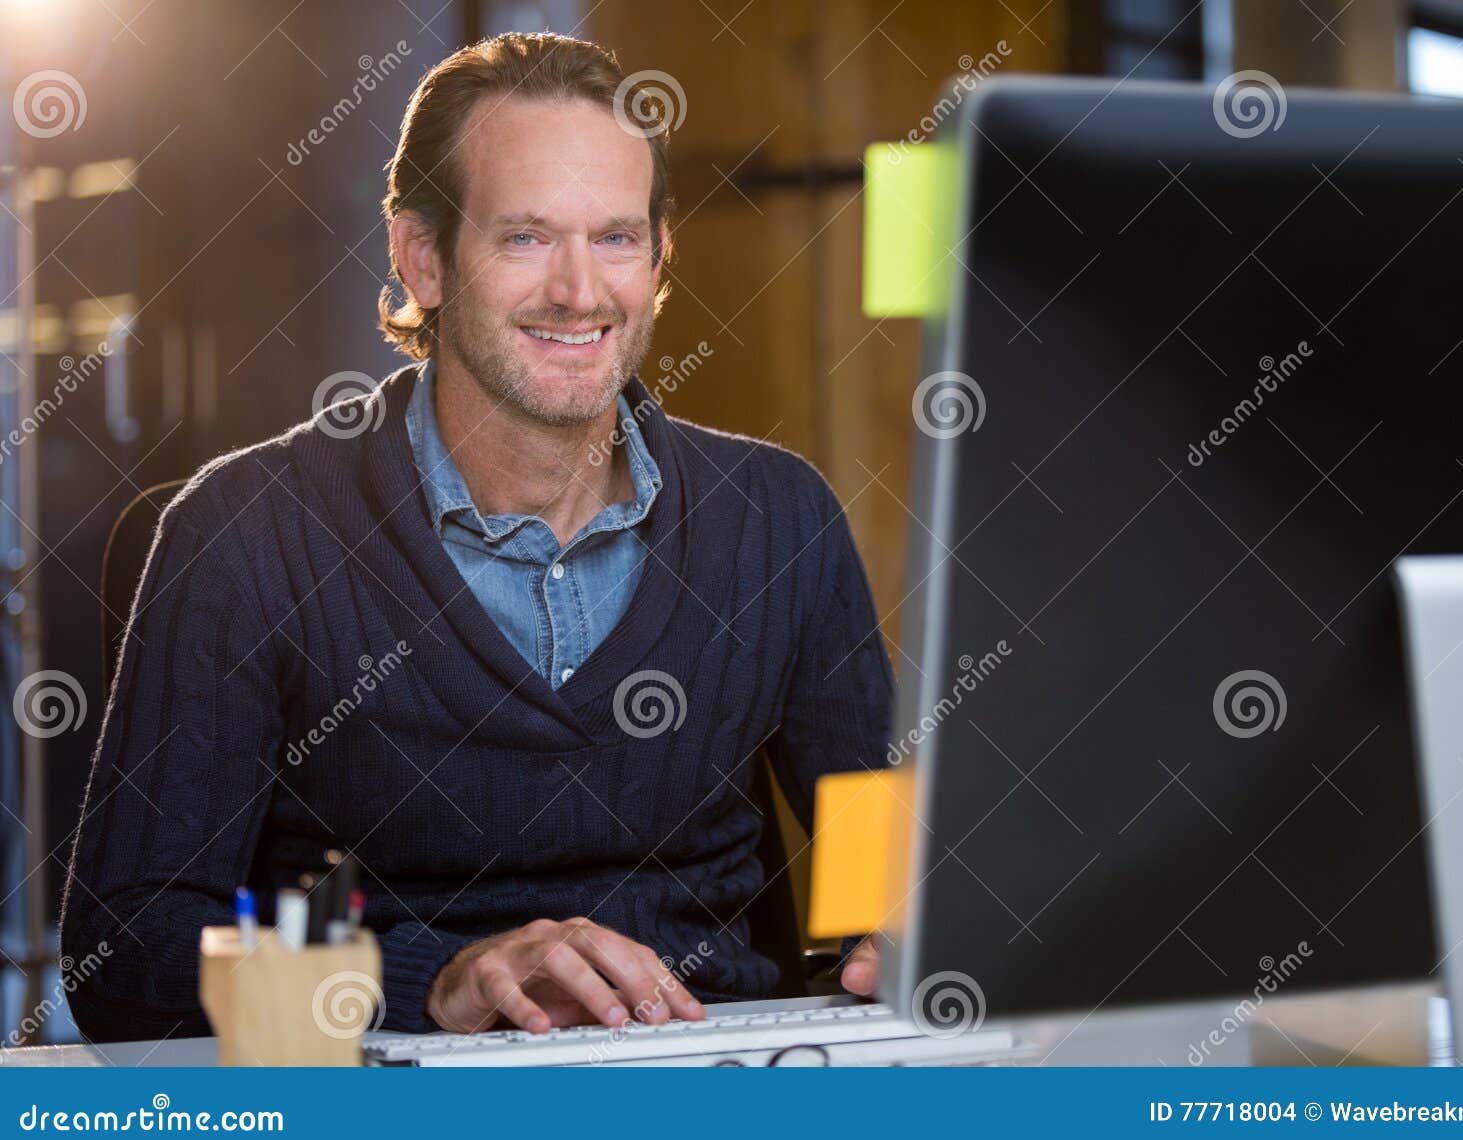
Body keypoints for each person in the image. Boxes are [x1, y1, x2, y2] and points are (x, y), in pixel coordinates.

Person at [60, 31, 891, 1042]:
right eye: (525, 237)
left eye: (617, 237)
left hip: (717, 1074)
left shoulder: (778, 519)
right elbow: (131, 948)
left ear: (660, 252)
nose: (581, 292)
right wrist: (433, 978)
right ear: (424, 257)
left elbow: (888, 878)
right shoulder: (243, 535)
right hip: (391, 1091)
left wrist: (898, 935)